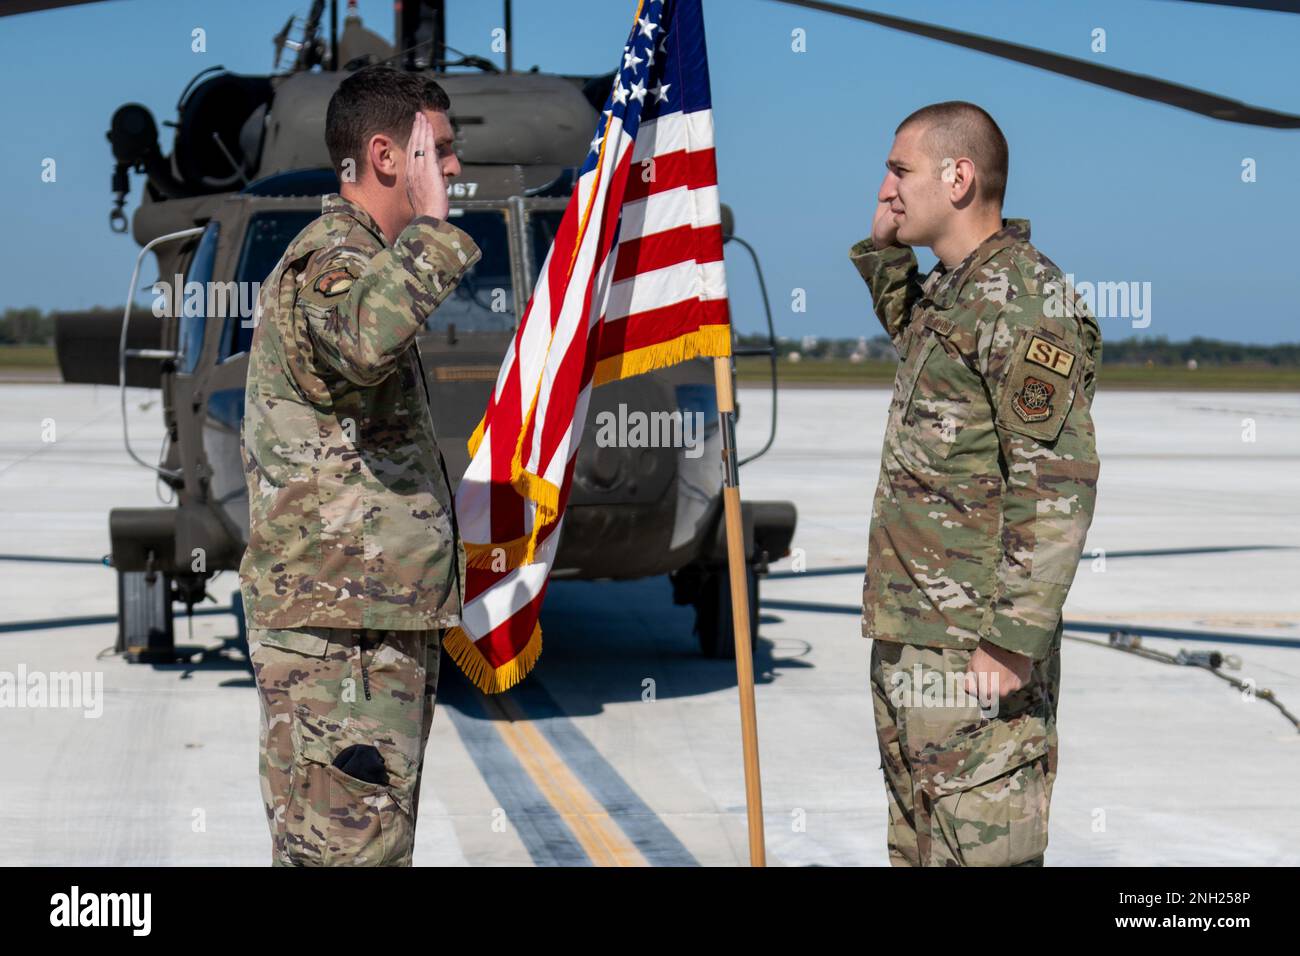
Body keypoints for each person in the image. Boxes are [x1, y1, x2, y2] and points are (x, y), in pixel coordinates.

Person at [239, 65, 481, 866]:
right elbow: (364, 341)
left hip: (366, 628)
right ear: (387, 155)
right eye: (437, 150)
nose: (451, 169)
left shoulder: (364, 258)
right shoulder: (332, 259)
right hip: (338, 641)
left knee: (365, 850)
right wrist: (435, 233)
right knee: (348, 856)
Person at [850, 101, 1101, 866]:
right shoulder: (956, 291)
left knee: (982, 854)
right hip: (916, 639)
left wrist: (1013, 641)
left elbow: (1057, 483)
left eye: (900, 169)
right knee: (921, 848)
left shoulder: (1025, 301)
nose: (886, 186)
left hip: (974, 651)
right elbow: (920, 337)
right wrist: (885, 246)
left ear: (957, 177)